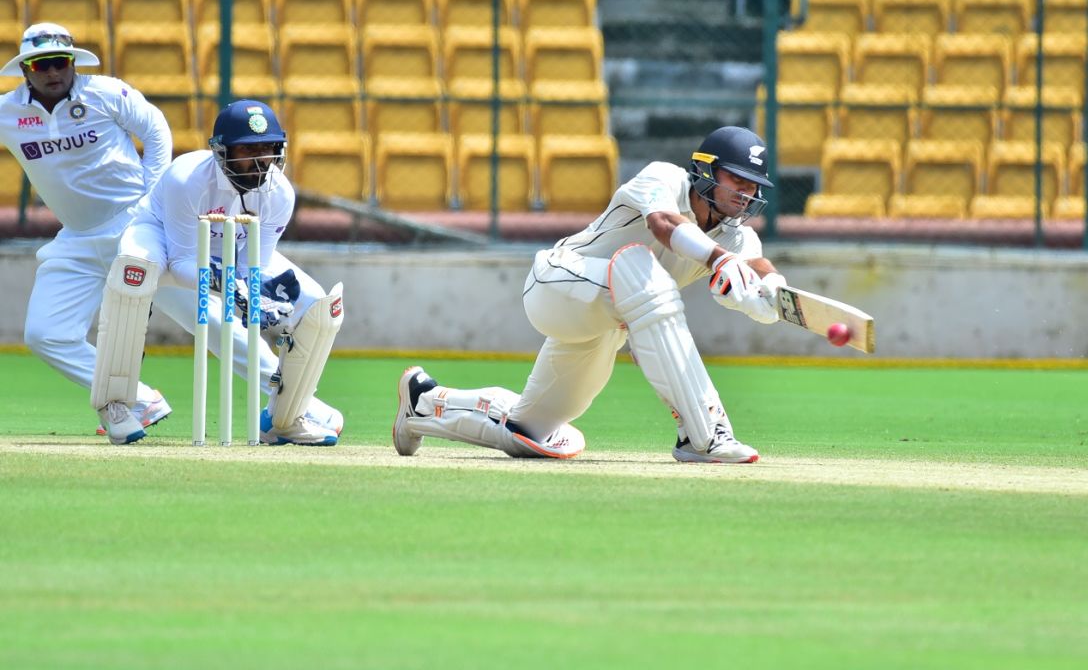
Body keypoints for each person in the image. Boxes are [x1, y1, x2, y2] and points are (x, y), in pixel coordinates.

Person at [392, 125, 788, 464]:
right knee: (639, 265)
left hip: (605, 323)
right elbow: (663, 224)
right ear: (705, 170)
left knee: (530, 431)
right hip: (558, 285)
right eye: (737, 179)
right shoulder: (663, 178)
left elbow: (760, 269)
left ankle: (424, 402)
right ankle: (704, 435)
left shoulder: (737, 237)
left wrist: (769, 293)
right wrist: (719, 260)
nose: (747, 192)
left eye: (754, 185)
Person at [90, 99, 345, 445]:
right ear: (221, 151)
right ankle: (116, 403)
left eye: (269, 148)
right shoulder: (187, 179)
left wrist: (259, 294)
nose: (261, 161)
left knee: (318, 305)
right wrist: (234, 291)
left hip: (225, 250)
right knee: (133, 273)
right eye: (248, 150)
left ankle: (283, 419)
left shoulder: (280, 194)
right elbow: (180, 264)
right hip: (161, 236)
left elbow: (255, 262)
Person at [0, 22, 178, 437]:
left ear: (72, 62)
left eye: (59, 62)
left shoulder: (105, 91)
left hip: (136, 226)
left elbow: (155, 128)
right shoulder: (9, 112)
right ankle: (135, 398)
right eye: (40, 64)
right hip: (77, 237)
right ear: (26, 70)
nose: (52, 72)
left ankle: (295, 403)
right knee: (46, 334)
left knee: (210, 320)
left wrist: (152, 200)